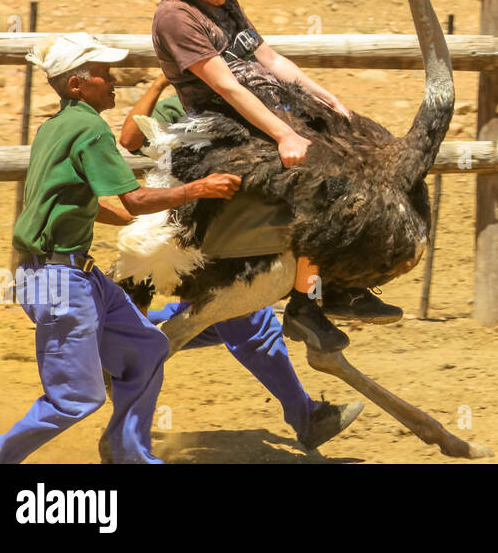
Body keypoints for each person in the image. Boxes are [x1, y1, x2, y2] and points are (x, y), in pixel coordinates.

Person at [0, 33, 239, 464]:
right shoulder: (90, 127)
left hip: (70, 275)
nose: (113, 82)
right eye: (103, 75)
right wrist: (198, 189)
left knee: (149, 348)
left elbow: (73, 198)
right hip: (60, 281)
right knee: (75, 399)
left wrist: (130, 217)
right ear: (77, 85)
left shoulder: (54, 127)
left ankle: (130, 456)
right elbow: (132, 198)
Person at [150, 0, 401, 352]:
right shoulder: (176, 18)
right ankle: (308, 303)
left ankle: (336, 283)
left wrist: (325, 97)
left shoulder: (221, 2)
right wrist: (285, 135)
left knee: (359, 156)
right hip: (225, 127)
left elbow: (270, 58)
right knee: (320, 179)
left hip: (271, 110)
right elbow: (224, 86)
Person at [119, 72, 364, 450]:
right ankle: (305, 417)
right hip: (197, 239)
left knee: (214, 323)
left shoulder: (244, 112)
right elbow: (131, 140)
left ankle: (115, 337)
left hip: (233, 237)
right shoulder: (179, 110)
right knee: (252, 323)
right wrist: (156, 86)